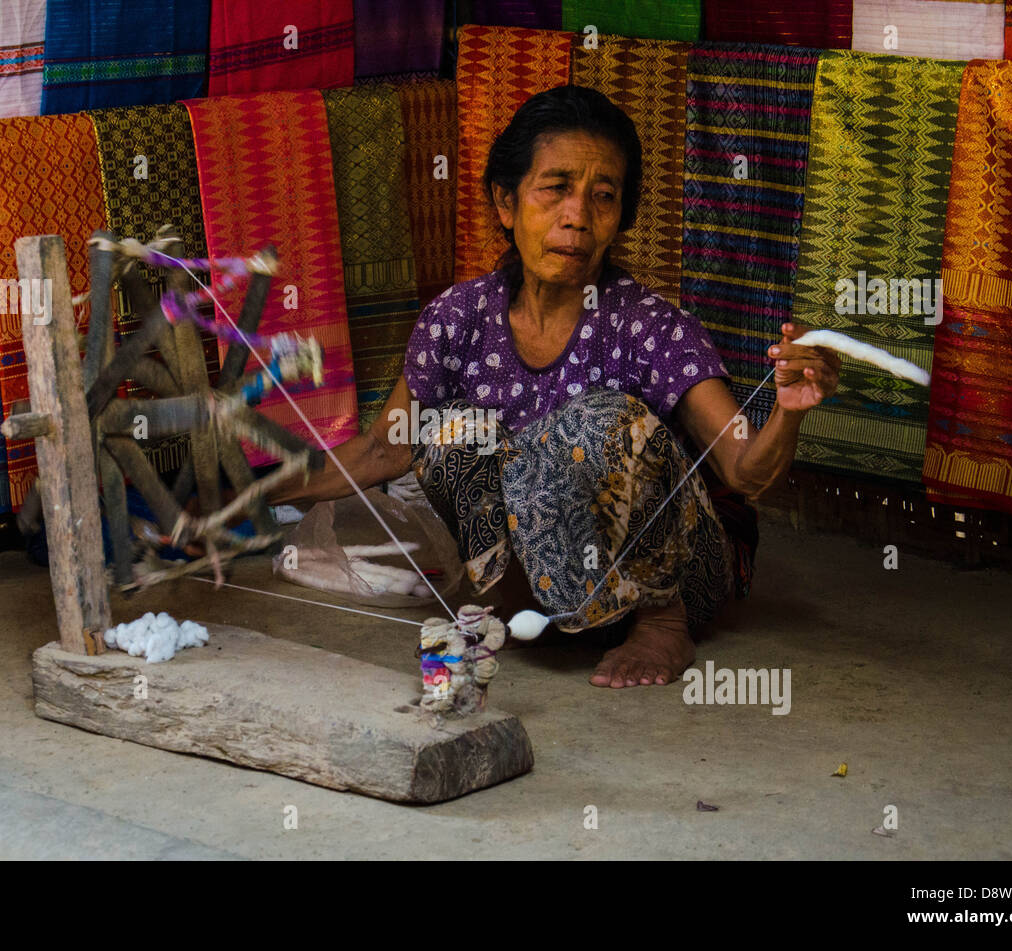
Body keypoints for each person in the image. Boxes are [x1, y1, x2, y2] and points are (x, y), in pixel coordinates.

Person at [269, 84, 839, 688]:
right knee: (447, 433)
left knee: (599, 423)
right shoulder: (458, 317)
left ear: (619, 219)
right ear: (507, 202)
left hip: (672, 569)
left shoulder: (649, 326)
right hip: (544, 574)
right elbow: (387, 448)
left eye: (602, 196)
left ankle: (661, 623)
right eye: (556, 188)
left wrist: (788, 411)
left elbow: (743, 468)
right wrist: (251, 496)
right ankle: (522, 604)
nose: (577, 216)